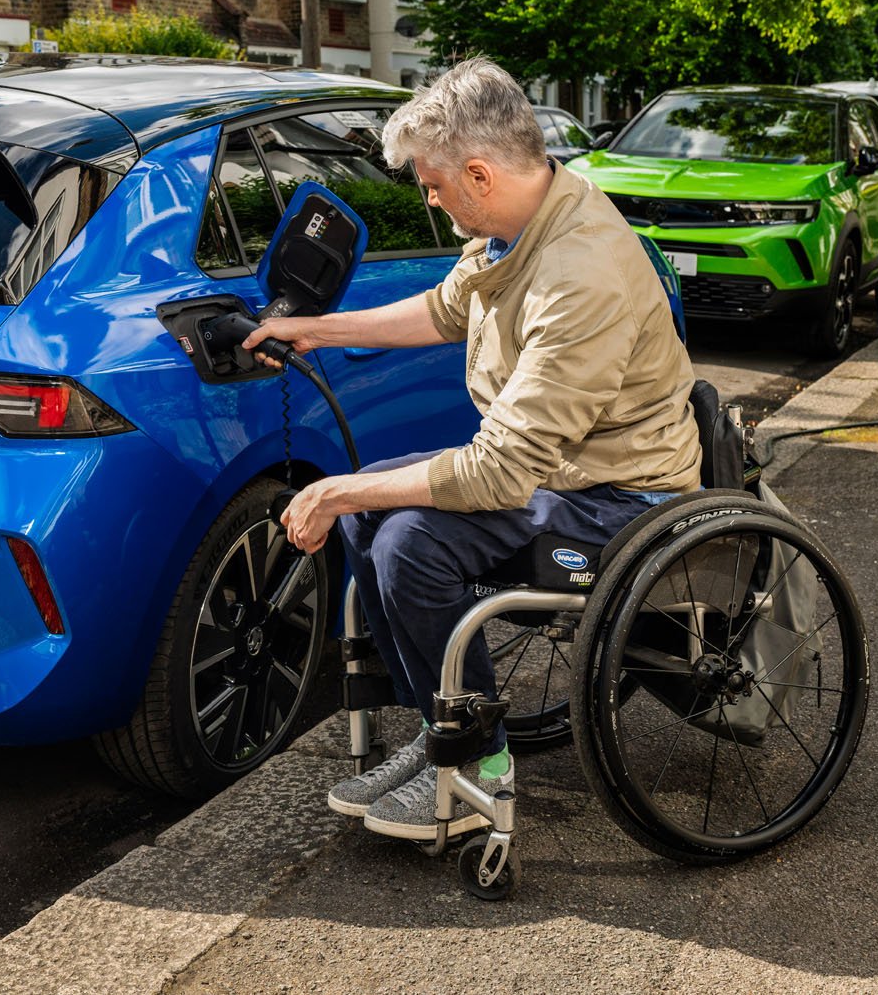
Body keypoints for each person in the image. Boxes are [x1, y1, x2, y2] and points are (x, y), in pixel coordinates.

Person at [243, 57, 702, 841]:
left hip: (625, 500)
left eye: (432, 182)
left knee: (408, 540)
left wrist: (340, 489)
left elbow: (500, 469)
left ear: (480, 173)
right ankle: (437, 734)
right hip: (562, 474)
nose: (428, 196)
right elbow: (444, 308)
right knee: (368, 522)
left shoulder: (578, 273)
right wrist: (313, 331)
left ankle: (477, 763)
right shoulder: (517, 224)